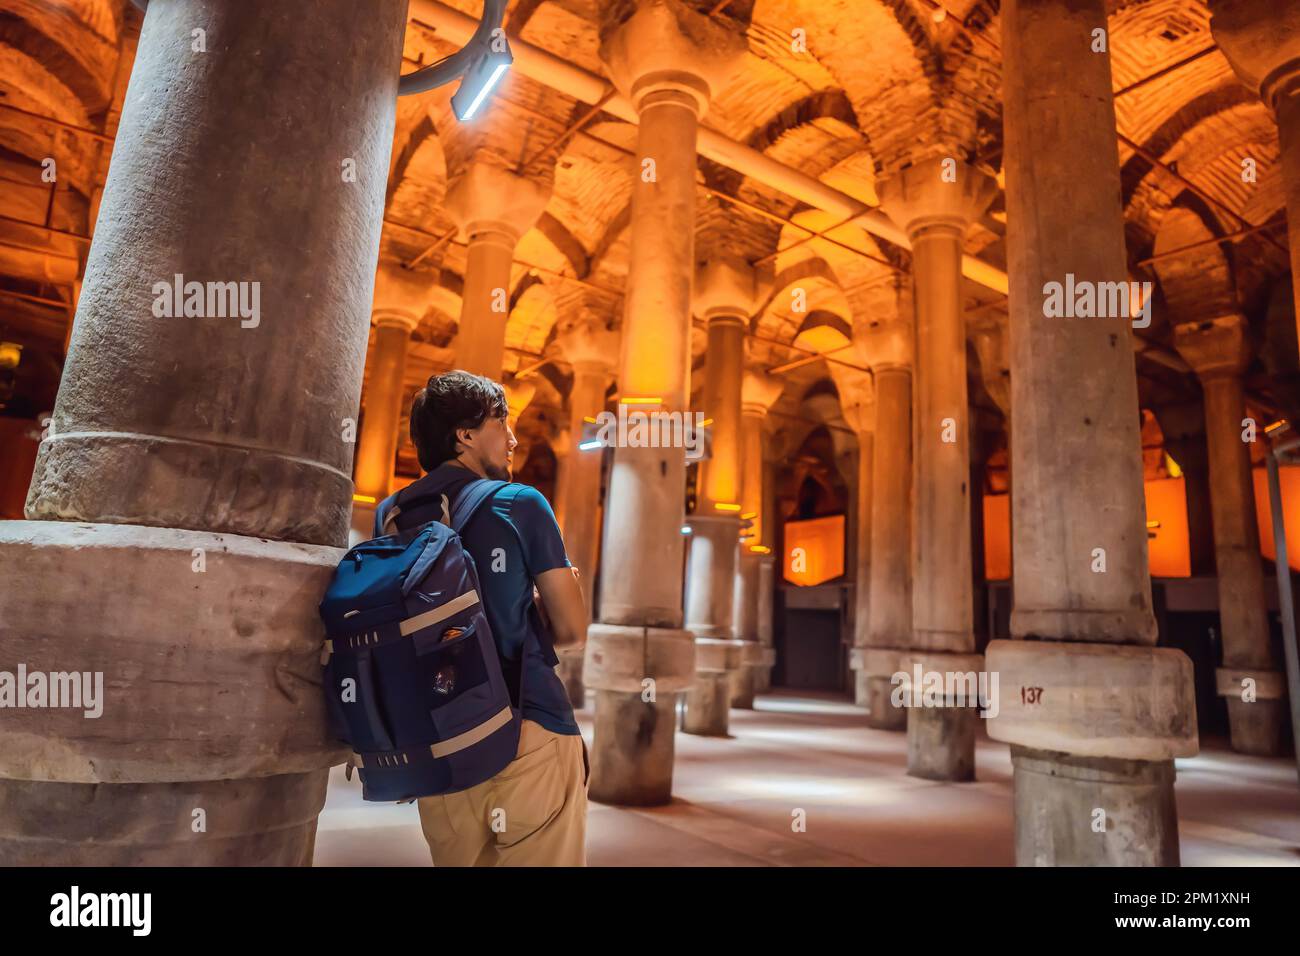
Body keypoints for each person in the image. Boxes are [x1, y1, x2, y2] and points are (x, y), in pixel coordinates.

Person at [373, 370, 590, 866]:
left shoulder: (390, 514)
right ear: (465, 435)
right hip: (528, 730)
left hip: (439, 743)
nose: (514, 439)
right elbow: (573, 632)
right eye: (502, 421)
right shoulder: (520, 503)